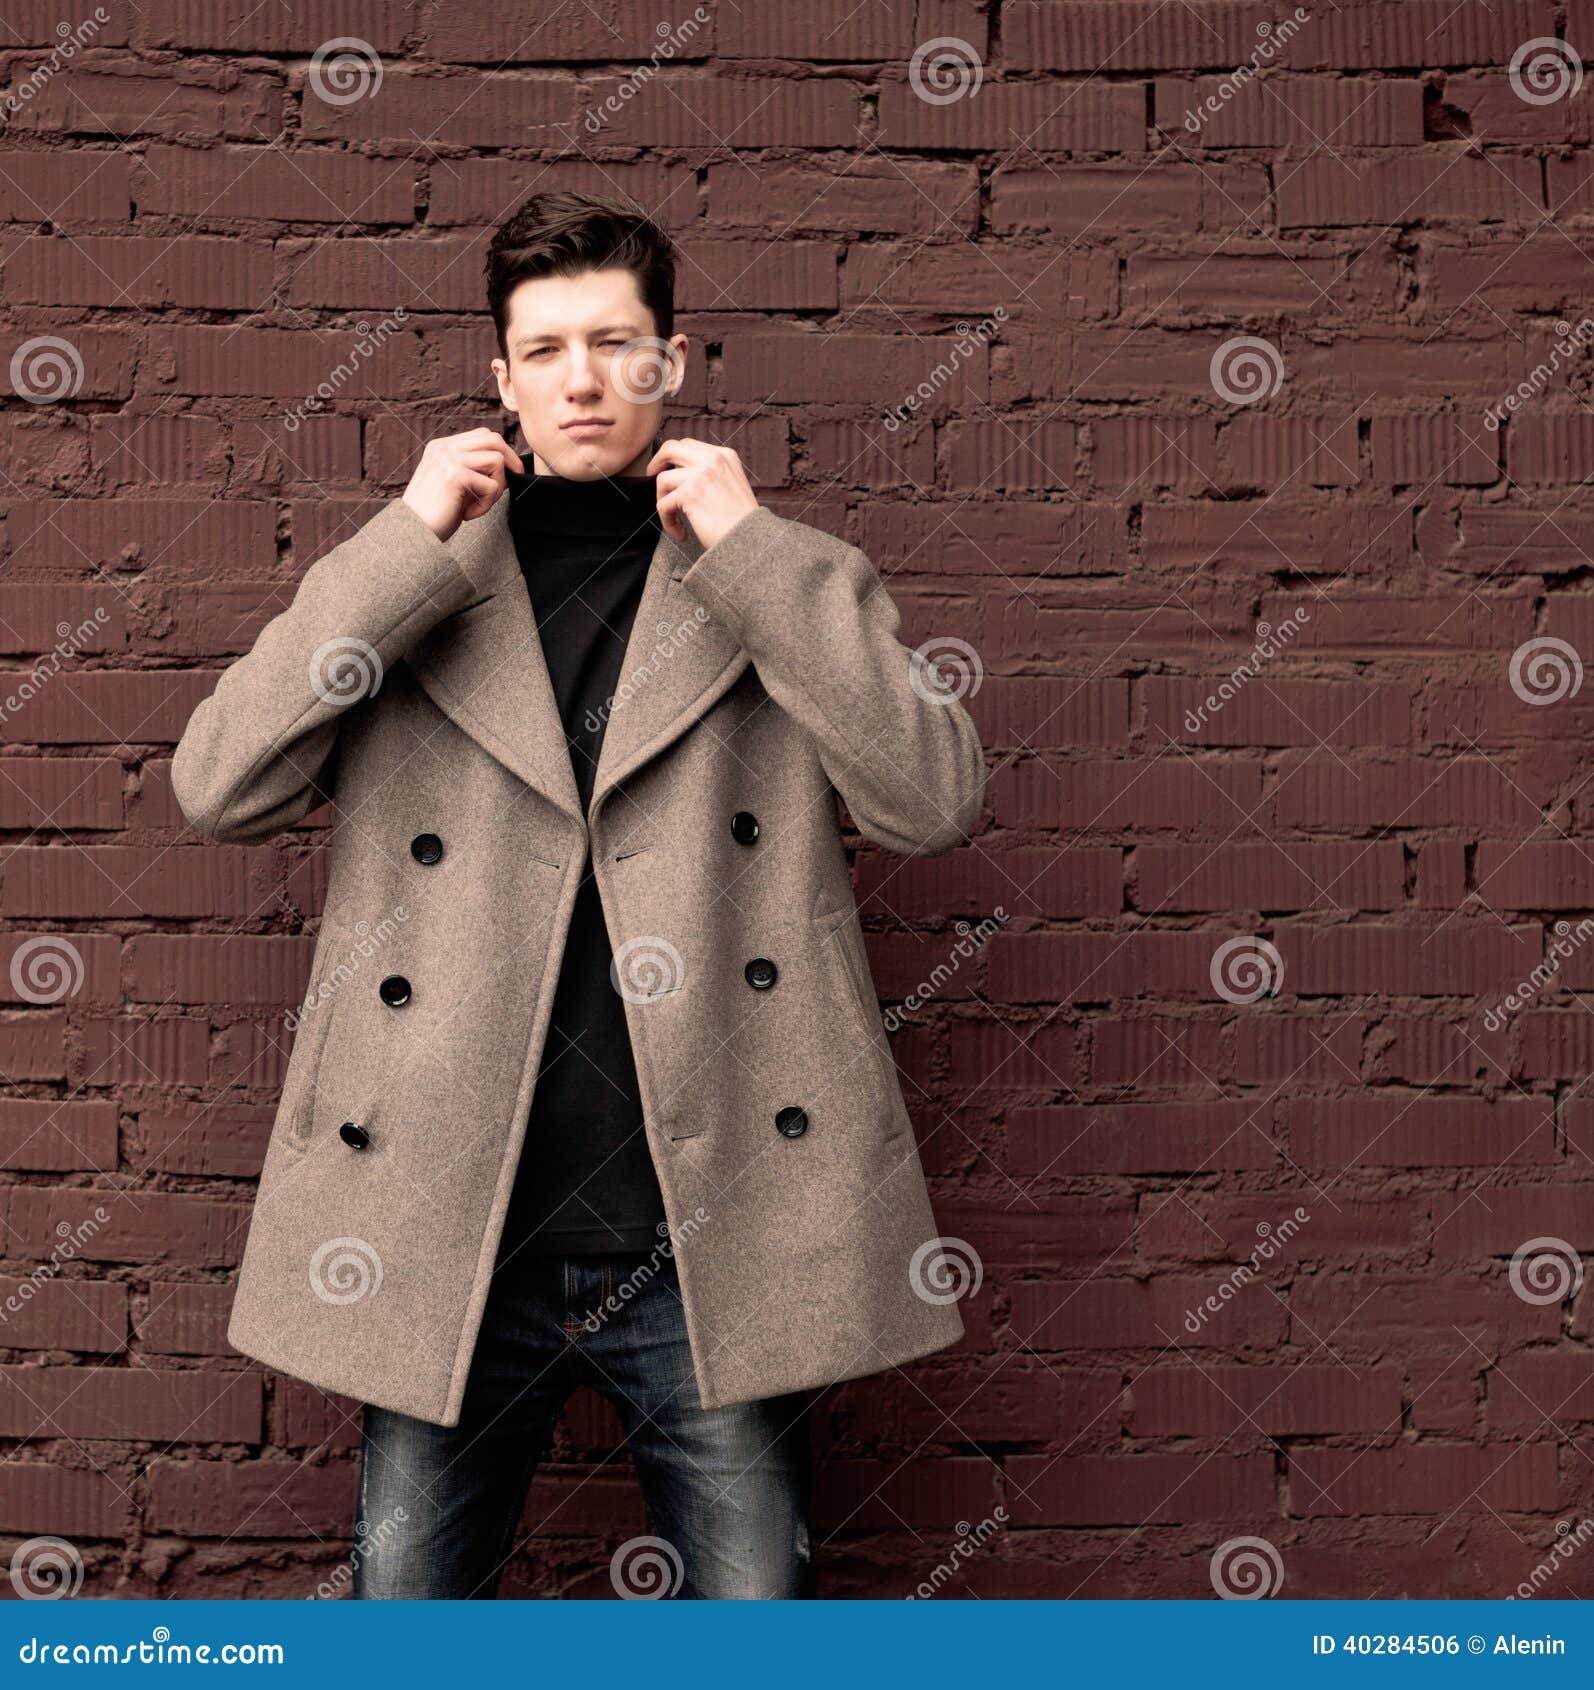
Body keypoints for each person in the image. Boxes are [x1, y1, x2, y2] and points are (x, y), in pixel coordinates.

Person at [171, 190, 986, 1599]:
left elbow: (930, 798)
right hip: (443, 1224)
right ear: (497, 377)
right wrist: (401, 540)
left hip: (708, 1226)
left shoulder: (771, 575)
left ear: (672, 358)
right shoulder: (420, 582)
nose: (583, 380)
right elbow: (220, 785)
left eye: (616, 342)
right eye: (544, 349)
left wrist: (755, 557)